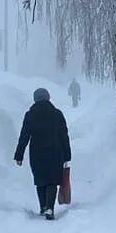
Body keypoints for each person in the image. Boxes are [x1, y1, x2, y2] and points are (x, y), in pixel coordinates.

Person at [14, 85, 72, 218]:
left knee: (40, 179)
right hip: (55, 152)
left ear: (35, 99)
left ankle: (43, 206)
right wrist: (67, 154)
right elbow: (64, 135)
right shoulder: (57, 114)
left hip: (36, 153)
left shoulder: (30, 115)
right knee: (52, 180)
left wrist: (19, 155)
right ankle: (50, 209)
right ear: (48, 98)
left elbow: (24, 136)